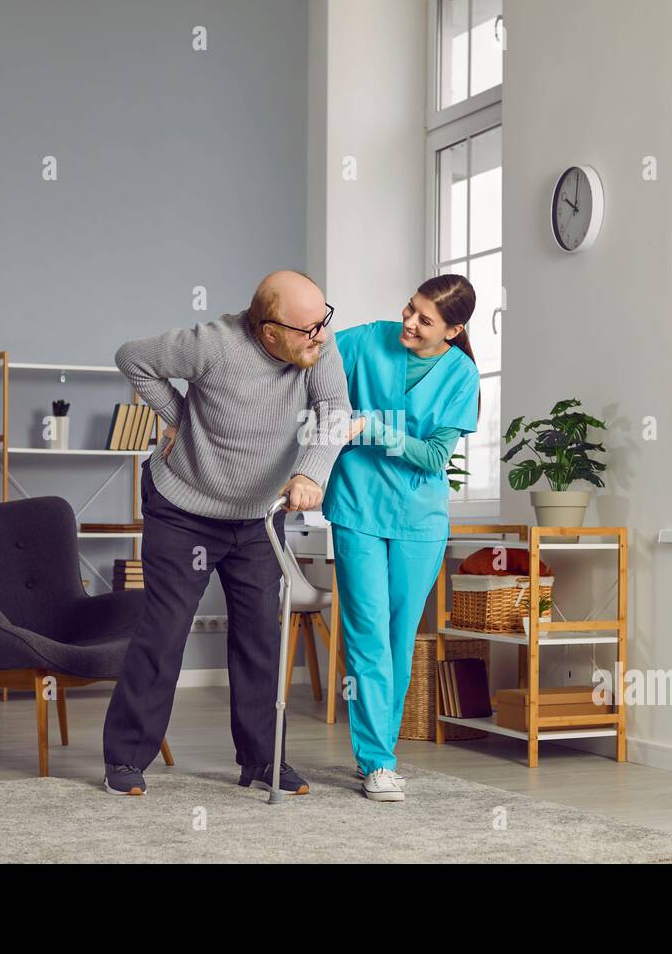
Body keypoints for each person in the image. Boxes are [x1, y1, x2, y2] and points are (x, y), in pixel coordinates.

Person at [102, 270, 352, 797]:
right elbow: (132, 357)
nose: (321, 336)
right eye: (308, 329)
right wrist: (178, 416)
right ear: (268, 332)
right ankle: (125, 760)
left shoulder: (317, 346)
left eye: (323, 321)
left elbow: (334, 412)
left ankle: (262, 761)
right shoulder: (213, 346)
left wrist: (311, 473)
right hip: (185, 510)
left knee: (260, 636)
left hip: (259, 517)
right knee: (165, 631)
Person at [322, 274, 481, 802]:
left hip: (419, 520)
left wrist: (369, 427)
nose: (409, 323)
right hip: (358, 507)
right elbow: (310, 362)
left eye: (426, 320)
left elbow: (436, 457)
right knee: (366, 631)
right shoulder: (366, 339)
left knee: (398, 637)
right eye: (410, 309)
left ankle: (378, 751)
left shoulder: (461, 375)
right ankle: (378, 761)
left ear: (453, 331)